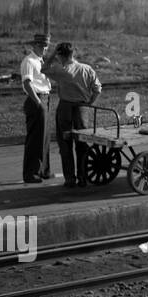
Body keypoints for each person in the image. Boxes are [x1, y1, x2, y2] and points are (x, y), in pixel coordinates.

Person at [42, 42, 103, 188]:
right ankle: (83, 177)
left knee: (65, 144)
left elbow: (43, 69)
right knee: (82, 142)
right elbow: (98, 89)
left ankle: (70, 179)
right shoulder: (87, 69)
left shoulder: (61, 70)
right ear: (72, 54)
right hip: (82, 108)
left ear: (61, 56)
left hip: (65, 108)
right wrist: (89, 102)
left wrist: (52, 56)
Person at [19, 33, 53, 183]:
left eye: (46, 46)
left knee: (45, 138)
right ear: (34, 46)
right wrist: (38, 102)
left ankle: (44, 170)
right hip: (36, 100)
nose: (44, 49)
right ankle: (31, 174)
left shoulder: (41, 61)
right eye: (41, 46)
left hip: (45, 98)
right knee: (35, 139)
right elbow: (27, 83)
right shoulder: (29, 61)